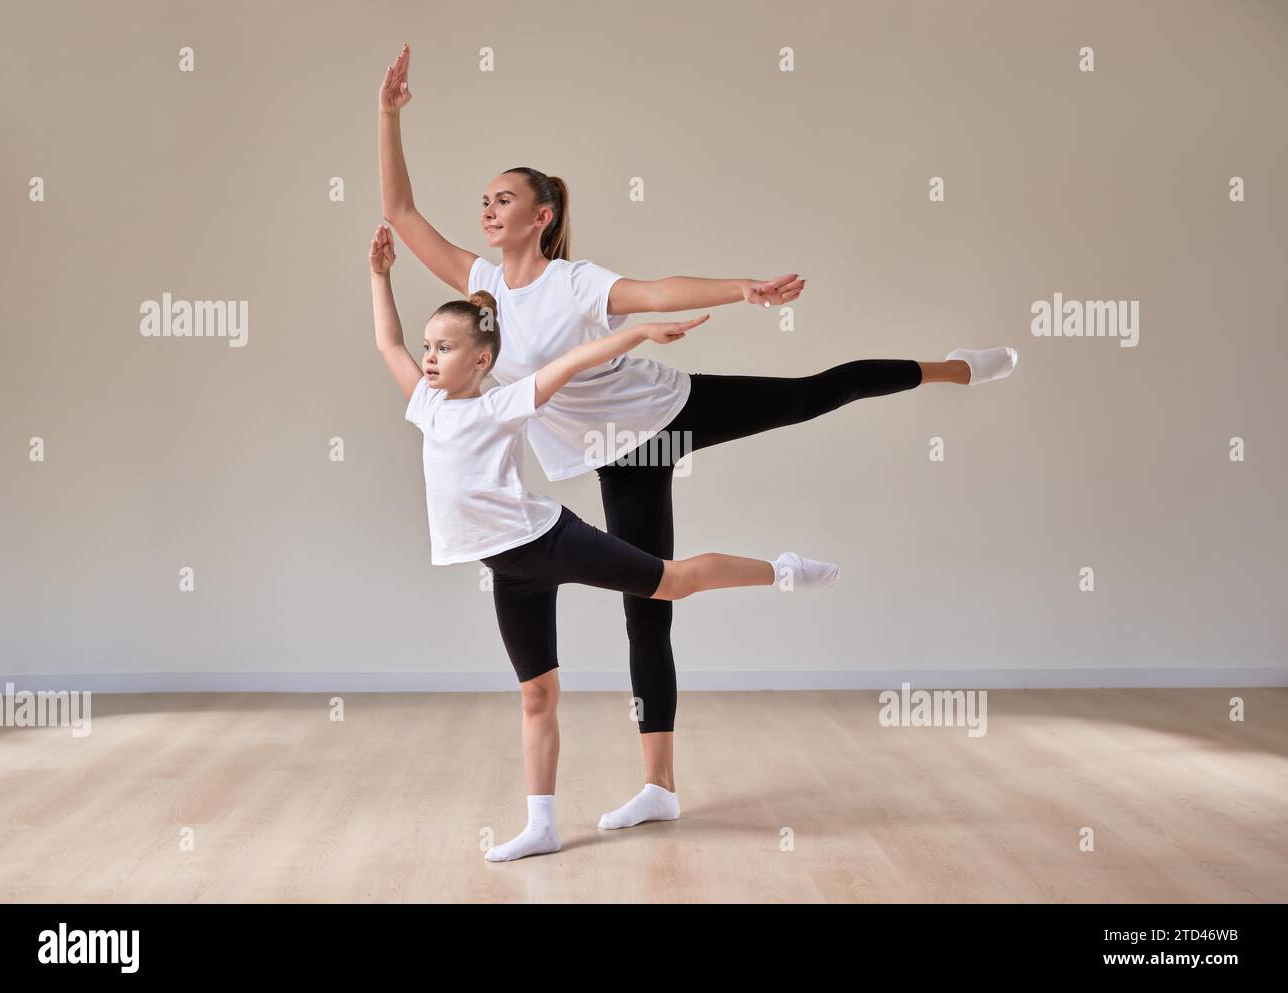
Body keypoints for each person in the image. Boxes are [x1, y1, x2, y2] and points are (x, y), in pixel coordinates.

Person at [377, 42, 1018, 833]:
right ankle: (660, 786)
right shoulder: (480, 289)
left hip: (666, 409)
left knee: (817, 393)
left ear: (540, 217)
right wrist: (389, 116)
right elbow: (402, 216)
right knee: (648, 604)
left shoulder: (574, 283)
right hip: (619, 454)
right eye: (483, 199)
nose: (486, 209)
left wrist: (741, 290)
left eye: (502, 200)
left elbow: (654, 291)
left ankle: (951, 368)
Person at [370, 225, 842, 860]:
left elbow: (572, 363)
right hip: (508, 569)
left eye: (445, 348)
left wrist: (638, 333)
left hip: (548, 540)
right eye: (430, 347)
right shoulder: (426, 406)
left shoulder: (504, 403)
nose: (429, 358)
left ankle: (780, 570)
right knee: (537, 693)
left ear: (481, 361)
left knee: (670, 581)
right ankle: (541, 825)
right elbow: (387, 341)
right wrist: (380, 276)